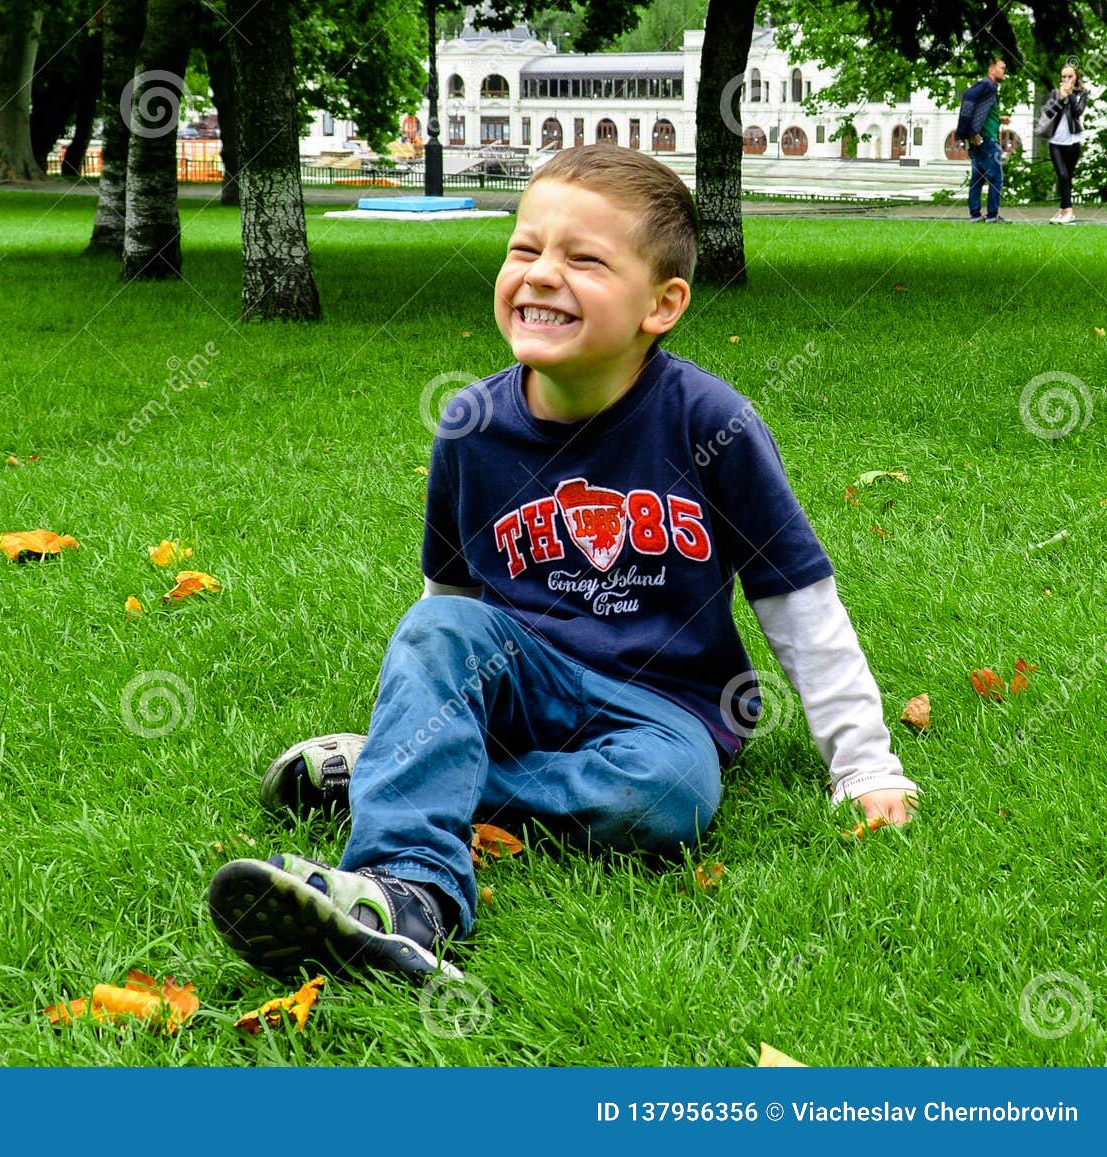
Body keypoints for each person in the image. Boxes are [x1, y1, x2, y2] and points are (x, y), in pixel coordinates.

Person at [207, 144, 920, 980]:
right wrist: (426, 710)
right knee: (441, 626)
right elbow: (446, 609)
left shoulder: (711, 424)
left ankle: (389, 769)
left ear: (664, 303)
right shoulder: (472, 426)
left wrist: (865, 761)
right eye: (525, 248)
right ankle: (405, 891)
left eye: (584, 258)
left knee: (670, 799)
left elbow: (796, 599)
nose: (543, 273)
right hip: (522, 682)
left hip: (664, 712)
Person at [955, 56, 1011, 223]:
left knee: (977, 178)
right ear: (991, 70)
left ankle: (975, 215)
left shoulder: (989, 88)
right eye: (1002, 68)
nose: (1004, 71)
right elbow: (969, 99)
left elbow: (982, 111)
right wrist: (972, 132)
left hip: (981, 139)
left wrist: (999, 118)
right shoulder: (987, 86)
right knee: (996, 178)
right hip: (986, 140)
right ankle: (992, 216)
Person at [1040, 63, 1089, 224]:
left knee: (1067, 177)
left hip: (1073, 142)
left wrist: (1070, 95)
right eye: (1064, 77)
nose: (1066, 79)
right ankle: (1069, 211)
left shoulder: (1082, 94)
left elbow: (1077, 112)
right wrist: (1060, 98)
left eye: (1070, 76)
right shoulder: (1055, 93)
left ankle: (1063, 210)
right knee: (1062, 175)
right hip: (1055, 143)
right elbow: (1048, 113)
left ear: (1076, 78)